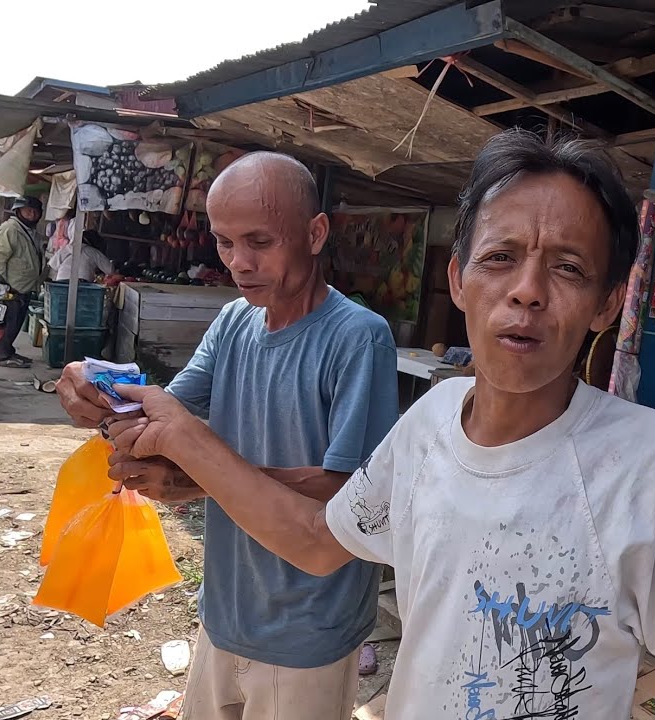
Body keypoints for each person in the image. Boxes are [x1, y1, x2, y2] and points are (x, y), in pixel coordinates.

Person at [103, 131, 655, 719]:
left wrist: (188, 442)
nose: (527, 291)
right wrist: (181, 445)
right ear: (458, 280)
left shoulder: (648, 460)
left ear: (608, 303)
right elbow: (315, 540)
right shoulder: (429, 424)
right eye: (499, 257)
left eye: (568, 268)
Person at [54, 152, 398, 719]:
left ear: (314, 234)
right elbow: (165, 412)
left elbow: (351, 492)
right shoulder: (235, 320)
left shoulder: (359, 338)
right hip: (227, 604)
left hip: (309, 621)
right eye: (224, 242)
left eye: (260, 242)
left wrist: (198, 473)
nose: (239, 263)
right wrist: (99, 393)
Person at [0, 196, 44, 367]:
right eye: (28, 211)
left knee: (16, 322)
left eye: (35, 212)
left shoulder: (28, 230)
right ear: (18, 211)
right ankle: (1, 354)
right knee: (8, 322)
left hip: (23, 286)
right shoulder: (10, 229)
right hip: (11, 287)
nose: (32, 214)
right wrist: (1, 287)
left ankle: (7, 350)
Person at [49, 230, 115, 281]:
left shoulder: (65, 249)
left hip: (60, 284)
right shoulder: (92, 251)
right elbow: (110, 270)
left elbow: (52, 265)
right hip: (82, 285)